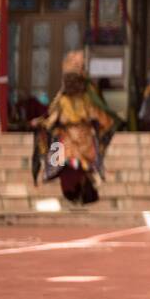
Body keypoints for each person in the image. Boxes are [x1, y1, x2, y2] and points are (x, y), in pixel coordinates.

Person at [31, 51, 119, 206]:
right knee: (65, 164)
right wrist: (42, 123)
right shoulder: (64, 99)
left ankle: (81, 193)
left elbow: (99, 117)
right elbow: (53, 116)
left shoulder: (83, 98)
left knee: (73, 166)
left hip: (80, 139)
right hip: (72, 139)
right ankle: (74, 194)